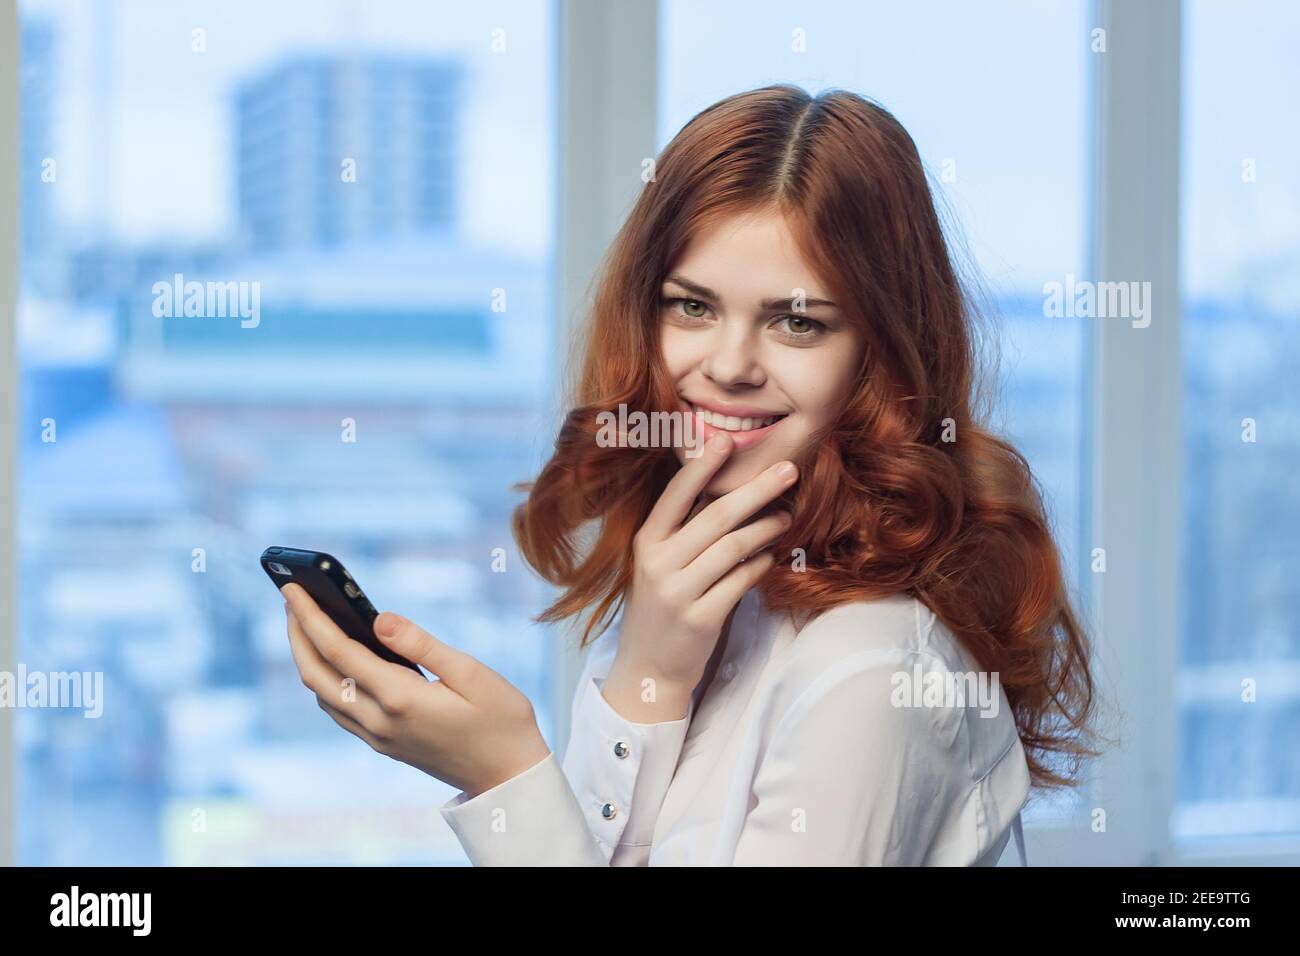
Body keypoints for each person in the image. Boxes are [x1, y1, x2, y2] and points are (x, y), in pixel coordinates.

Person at [283, 84, 1101, 866]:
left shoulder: (873, 671)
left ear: (881, 354)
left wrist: (502, 777)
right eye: (693, 307)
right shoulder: (697, 594)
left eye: (796, 322)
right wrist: (649, 678)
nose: (731, 366)